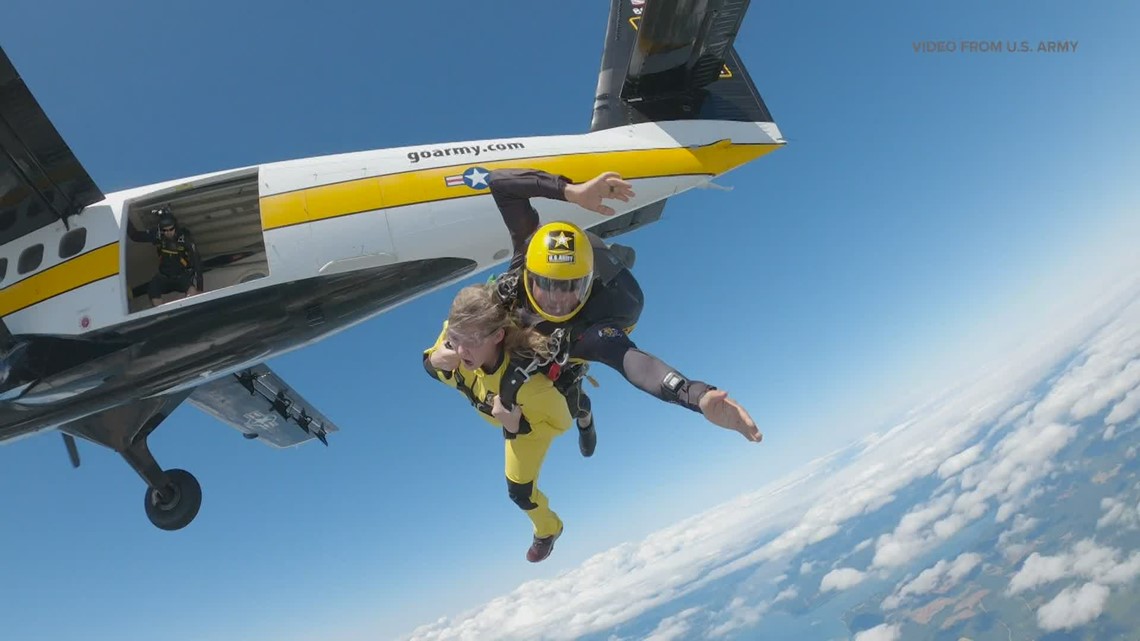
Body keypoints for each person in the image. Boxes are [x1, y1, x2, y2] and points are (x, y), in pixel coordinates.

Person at [486, 168, 762, 447]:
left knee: (571, 397)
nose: (557, 301)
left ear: (589, 283)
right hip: (537, 332)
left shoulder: (591, 327)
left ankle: (585, 418)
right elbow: (498, 182)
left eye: (571, 288)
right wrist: (571, 191)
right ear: (529, 274)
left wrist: (697, 395)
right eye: (547, 285)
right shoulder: (526, 254)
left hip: (567, 348)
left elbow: (638, 364)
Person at [423, 282, 572, 563]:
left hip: (529, 424)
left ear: (497, 336)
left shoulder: (528, 386)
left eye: (472, 342)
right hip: (507, 415)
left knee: (519, 492)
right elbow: (434, 363)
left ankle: (549, 528)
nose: (462, 350)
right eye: (455, 338)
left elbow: (561, 424)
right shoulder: (455, 338)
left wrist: (516, 426)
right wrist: (433, 360)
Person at [126, 205, 204, 307]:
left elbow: (197, 262)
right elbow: (135, 236)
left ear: (175, 227)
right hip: (163, 277)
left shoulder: (185, 238)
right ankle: (160, 313)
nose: (168, 233)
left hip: (181, 277)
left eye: (171, 229)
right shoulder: (158, 235)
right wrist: (125, 218)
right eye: (165, 230)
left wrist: (200, 289)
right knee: (153, 289)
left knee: (193, 292)